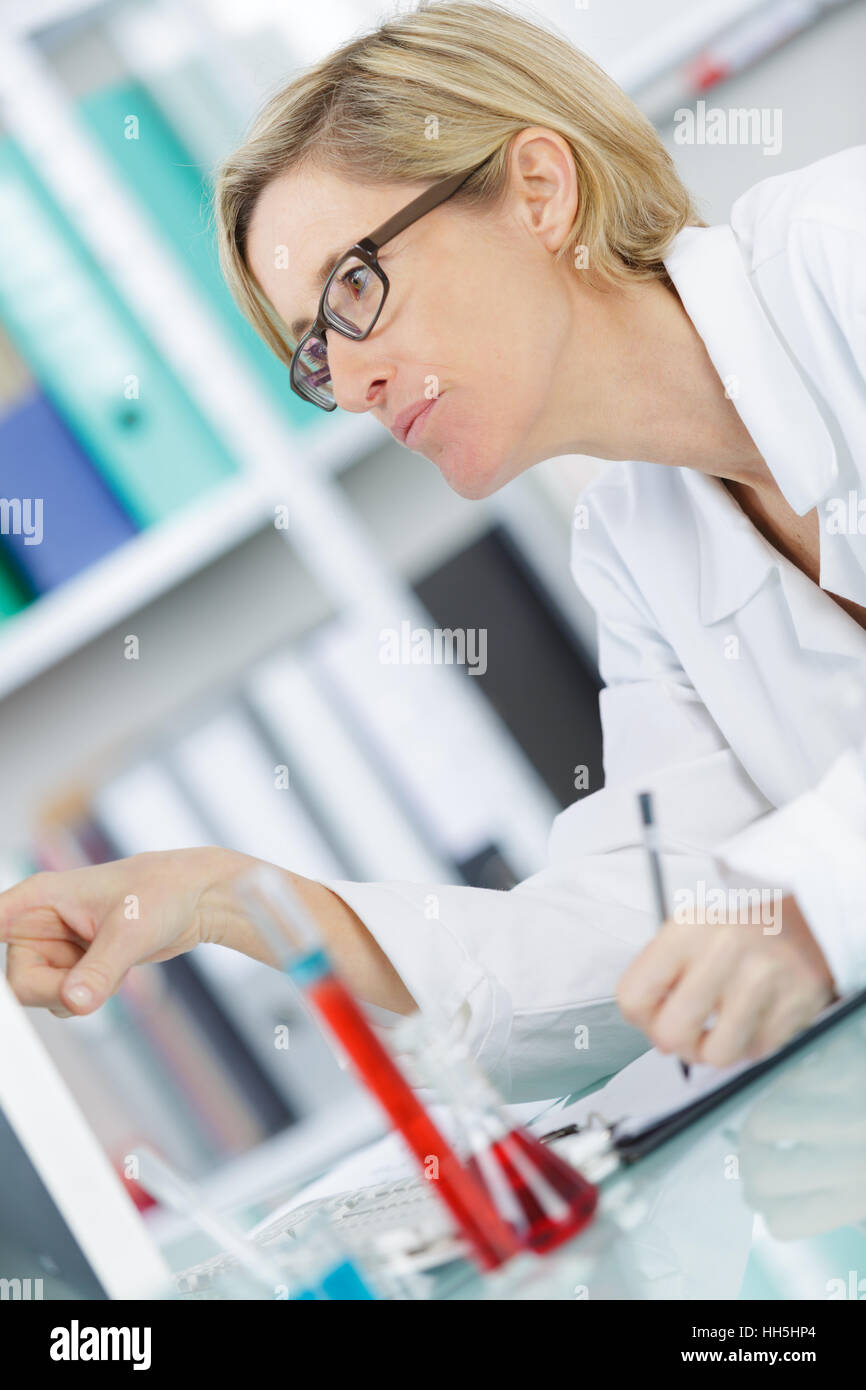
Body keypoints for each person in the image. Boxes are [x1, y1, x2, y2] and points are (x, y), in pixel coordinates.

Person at [1, 1, 864, 1102]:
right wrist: (233, 896)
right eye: (313, 354)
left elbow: (796, 899)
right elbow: (635, 934)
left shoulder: (845, 254)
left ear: (539, 192)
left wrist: (813, 892)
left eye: (353, 289)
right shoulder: (636, 542)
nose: (352, 384)